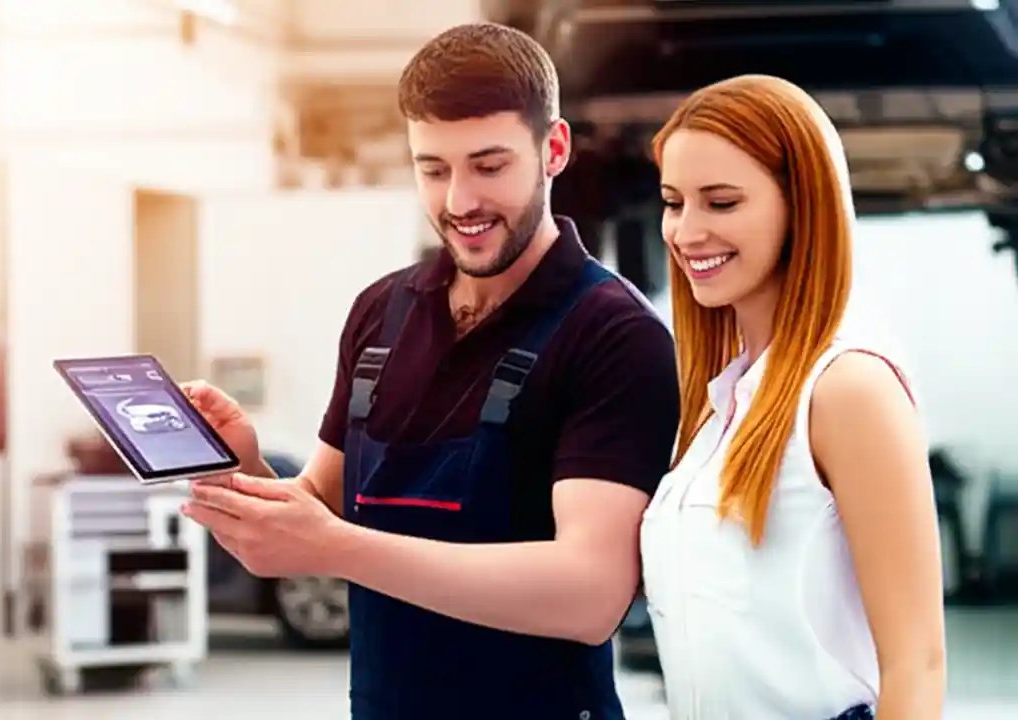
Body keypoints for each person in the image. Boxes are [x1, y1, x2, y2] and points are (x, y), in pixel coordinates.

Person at [178, 22, 680, 720]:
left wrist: (343, 548)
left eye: (490, 165)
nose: (460, 202)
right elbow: (324, 517)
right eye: (433, 169)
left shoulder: (614, 335)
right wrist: (246, 469)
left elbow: (591, 594)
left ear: (553, 149)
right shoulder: (380, 314)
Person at [640, 74, 947, 720]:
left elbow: (916, 663)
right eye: (674, 202)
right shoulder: (718, 406)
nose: (686, 231)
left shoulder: (849, 389)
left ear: (800, 206)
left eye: (721, 203)